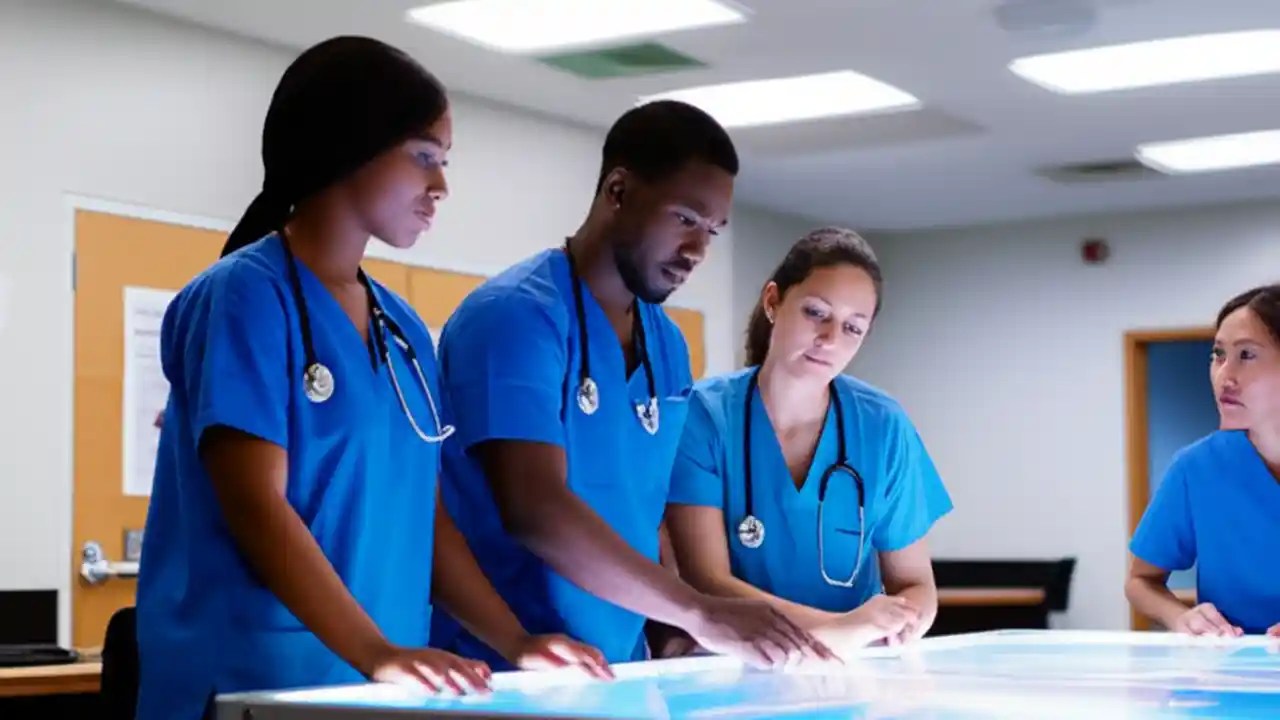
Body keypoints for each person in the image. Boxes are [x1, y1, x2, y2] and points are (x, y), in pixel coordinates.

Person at [135, 36, 605, 720]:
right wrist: (376, 652)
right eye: (423, 158)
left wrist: (514, 638)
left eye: (443, 163)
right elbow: (255, 507)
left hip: (373, 693)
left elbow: (427, 517)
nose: (440, 186)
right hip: (252, 686)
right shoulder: (242, 299)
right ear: (348, 143)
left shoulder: (405, 330)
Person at [431, 100, 833, 671]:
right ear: (618, 192)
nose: (697, 251)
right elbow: (534, 507)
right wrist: (699, 610)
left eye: (713, 230)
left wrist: (670, 627)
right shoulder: (514, 319)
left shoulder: (667, 345)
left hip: (615, 667)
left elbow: (648, 511)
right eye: (684, 219)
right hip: (502, 670)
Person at [664, 228, 954, 660]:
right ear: (772, 302)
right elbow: (707, 580)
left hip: (854, 667)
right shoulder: (704, 417)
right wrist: (838, 630)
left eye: (853, 328)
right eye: (816, 312)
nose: (830, 339)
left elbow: (915, 584)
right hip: (735, 663)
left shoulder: (882, 426)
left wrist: (902, 622)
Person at [1127, 284, 1280, 638]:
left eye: (1246, 355)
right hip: (1234, 676)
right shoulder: (1197, 469)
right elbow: (1140, 580)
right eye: (1218, 355)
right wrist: (1180, 617)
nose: (1224, 375)